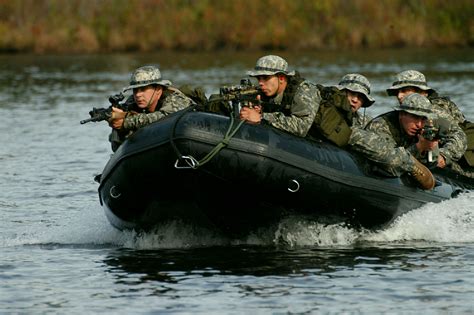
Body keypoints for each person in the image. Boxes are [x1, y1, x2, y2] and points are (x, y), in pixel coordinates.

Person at [349, 93, 438, 190]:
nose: (419, 125)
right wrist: (418, 147)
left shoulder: (421, 131)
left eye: (423, 119)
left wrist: (430, 148)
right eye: (415, 117)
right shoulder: (381, 127)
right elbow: (391, 166)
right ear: (402, 114)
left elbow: (430, 164)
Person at [385, 70, 467, 169]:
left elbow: (458, 135)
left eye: (405, 91)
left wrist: (443, 156)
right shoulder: (393, 116)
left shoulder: (435, 112)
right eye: (397, 92)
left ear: (423, 93)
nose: (399, 96)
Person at [108, 65, 194, 151]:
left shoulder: (175, 99)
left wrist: (127, 122)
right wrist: (117, 120)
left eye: (143, 89)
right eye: (135, 90)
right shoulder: (131, 102)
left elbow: (165, 117)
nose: (138, 95)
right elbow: (118, 148)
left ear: (158, 90)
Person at [239, 55, 321, 137]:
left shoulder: (304, 91)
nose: (260, 83)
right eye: (258, 78)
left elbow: (301, 127)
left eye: (265, 78)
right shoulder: (266, 92)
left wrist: (261, 117)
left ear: (281, 78)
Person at [307, 73, 375, 147]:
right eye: (352, 93)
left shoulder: (365, 122)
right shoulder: (321, 108)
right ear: (341, 93)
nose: (355, 100)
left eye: (360, 97)